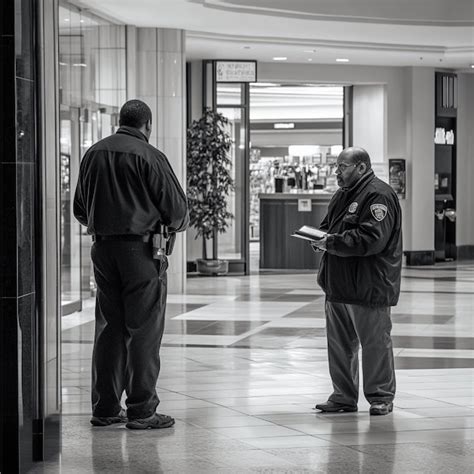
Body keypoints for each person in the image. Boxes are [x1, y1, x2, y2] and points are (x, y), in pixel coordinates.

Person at [73, 99, 189, 429]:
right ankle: (142, 409)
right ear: (147, 125)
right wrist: (171, 226)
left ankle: (106, 408)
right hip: (142, 251)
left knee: (110, 328)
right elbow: (177, 211)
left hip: (103, 250)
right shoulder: (150, 156)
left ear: (121, 121)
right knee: (144, 330)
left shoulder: (93, 153)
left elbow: (80, 208)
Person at [312, 147, 402, 416]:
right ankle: (343, 396)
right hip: (338, 283)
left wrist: (332, 242)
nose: (337, 172)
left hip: (368, 284)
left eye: (343, 166)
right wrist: (320, 238)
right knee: (339, 346)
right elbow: (329, 227)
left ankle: (380, 397)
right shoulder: (341, 195)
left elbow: (372, 239)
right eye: (337, 167)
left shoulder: (379, 195)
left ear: (361, 167)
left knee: (375, 343)